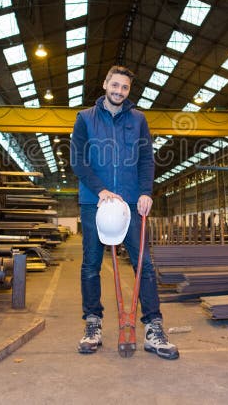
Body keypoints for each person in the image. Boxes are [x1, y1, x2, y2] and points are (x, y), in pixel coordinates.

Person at [70, 65, 179, 360]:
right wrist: (100, 190)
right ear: (105, 84)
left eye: (125, 87)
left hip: (131, 202)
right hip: (95, 202)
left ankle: (153, 328)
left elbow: (146, 159)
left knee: (144, 264)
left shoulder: (138, 120)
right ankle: (93, 324)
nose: (119, 91)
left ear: (129, 91)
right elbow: (78, 161)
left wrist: (145, 192)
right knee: (91, 265)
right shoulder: (85, 118)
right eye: (115, 85)